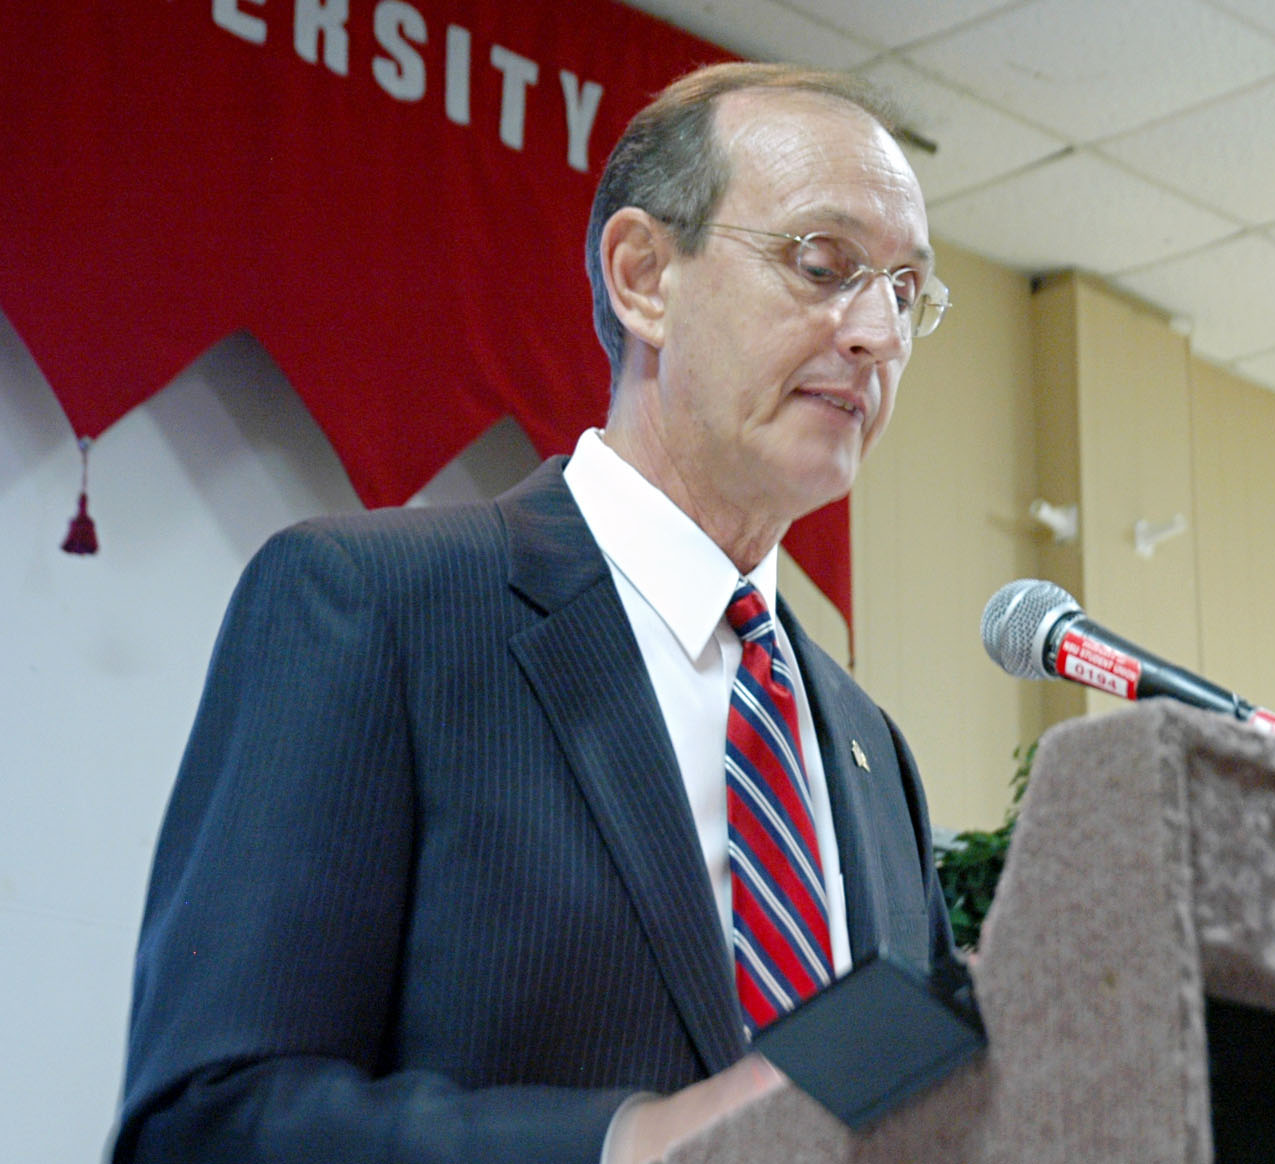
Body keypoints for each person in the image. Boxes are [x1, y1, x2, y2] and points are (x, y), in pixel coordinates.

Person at [112, 62, 955, 1164]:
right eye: (824, 265)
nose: (877, 335)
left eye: (904, 291)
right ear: (644, 277)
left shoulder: (866, 751)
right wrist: (625, 1148)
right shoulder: (374, 610)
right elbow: (206, 1126)